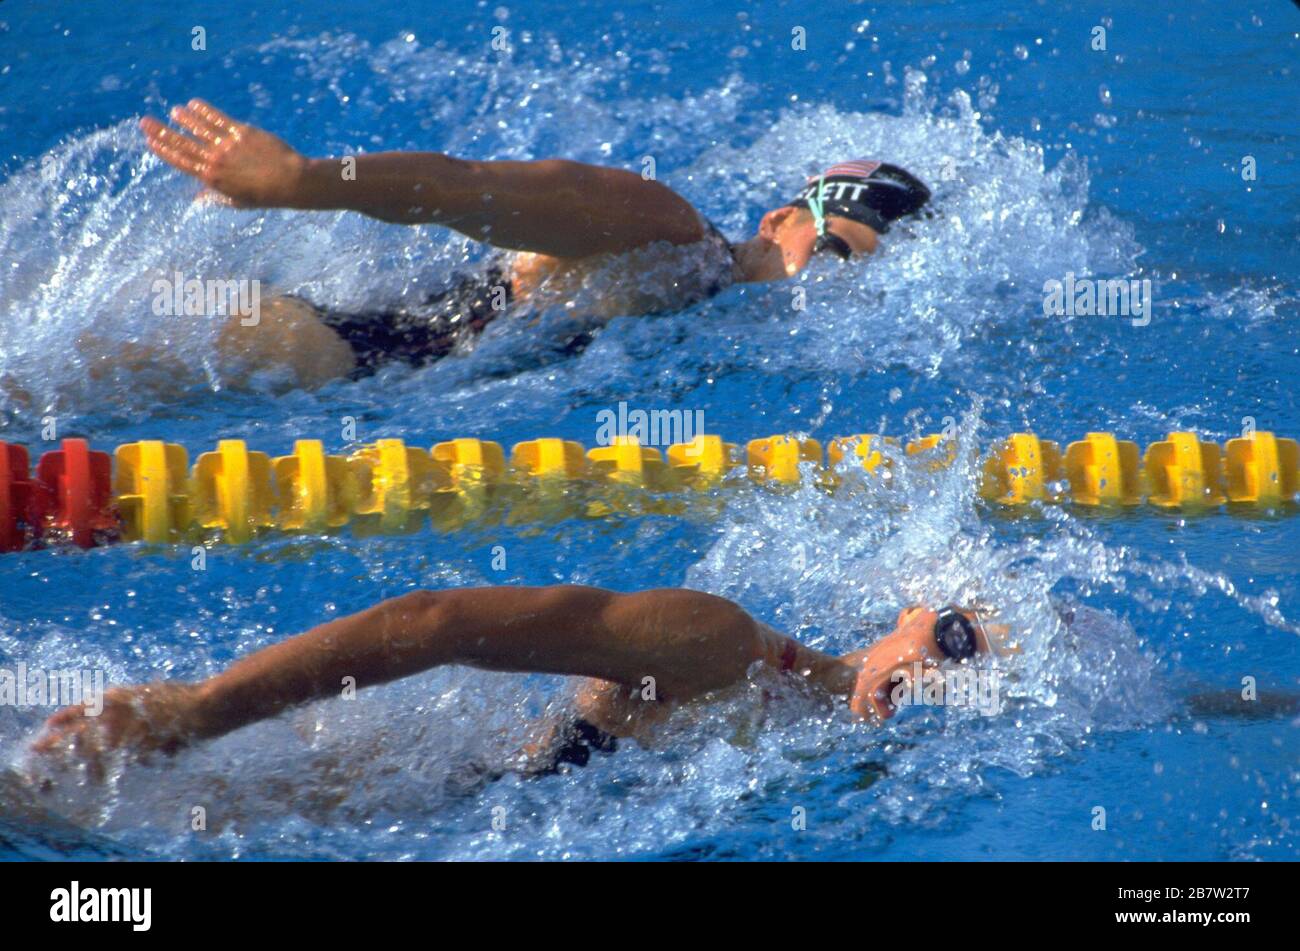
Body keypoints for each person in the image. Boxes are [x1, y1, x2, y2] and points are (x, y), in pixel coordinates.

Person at [140, 100, 932, 383]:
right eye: (831, 255)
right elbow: (467, 188)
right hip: (324, 347)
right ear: (777, 221)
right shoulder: (665, 231)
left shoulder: (718, 319)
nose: (828, 291)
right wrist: (305, 181)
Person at [32, 584, 993, 778]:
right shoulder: (721, 644)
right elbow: (439, 624)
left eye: (977, 680)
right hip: (386, 810)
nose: (940, 678)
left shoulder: (837, 763)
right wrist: (203, 710)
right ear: (910, 611)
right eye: (952, 640)